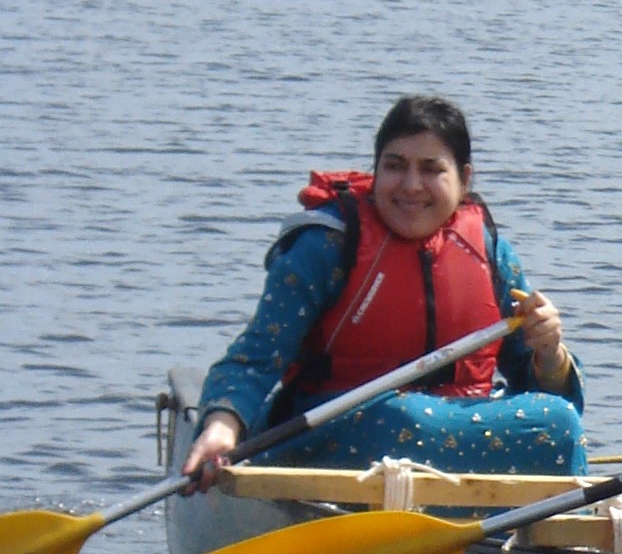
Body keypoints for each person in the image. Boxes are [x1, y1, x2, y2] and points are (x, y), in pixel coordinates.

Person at [181, 95, 584, 488]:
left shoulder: (491, 254)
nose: (411, 185)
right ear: (375, 173)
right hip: (334, 437)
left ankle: (566, 540)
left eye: (431, 169)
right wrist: (221, 426)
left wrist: (550, 354)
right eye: (395, 166)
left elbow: (540, 389)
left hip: (463, 440)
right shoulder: (327, 246)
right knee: (402, 419)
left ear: (464, 181)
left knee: (561, 420)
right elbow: (254, 358)